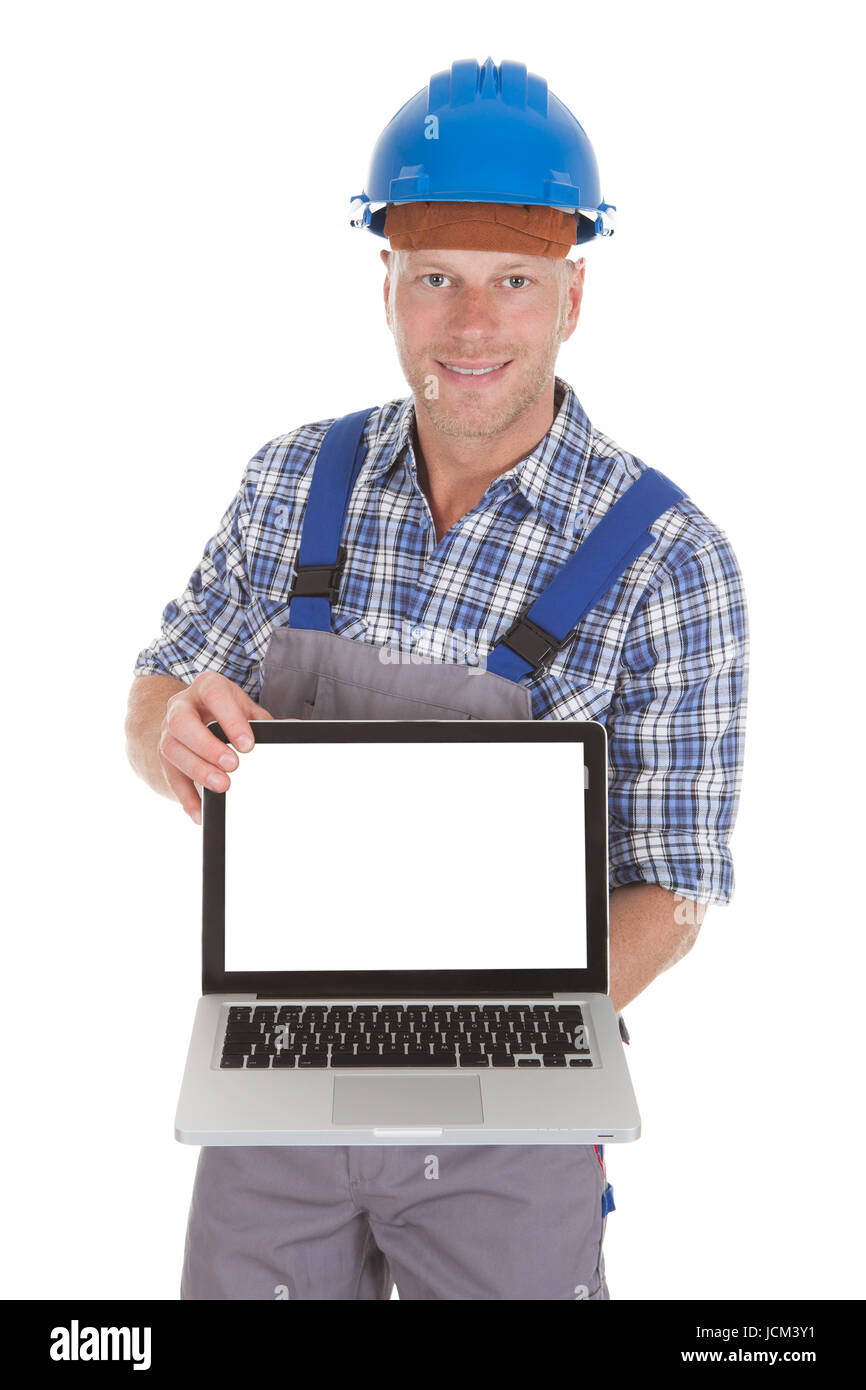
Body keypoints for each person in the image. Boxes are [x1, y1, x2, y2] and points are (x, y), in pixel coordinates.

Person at [125, 57, 748, 1300]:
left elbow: (673, 893)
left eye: (512, 283)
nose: (472, 327)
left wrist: (482, 1031)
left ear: (572, 296)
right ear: (388, 288)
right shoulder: (292, 482)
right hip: (277, 1075)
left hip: (510, 1109)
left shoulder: (668, 560)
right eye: (436, 283)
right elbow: (156, 687)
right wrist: (165, 732)